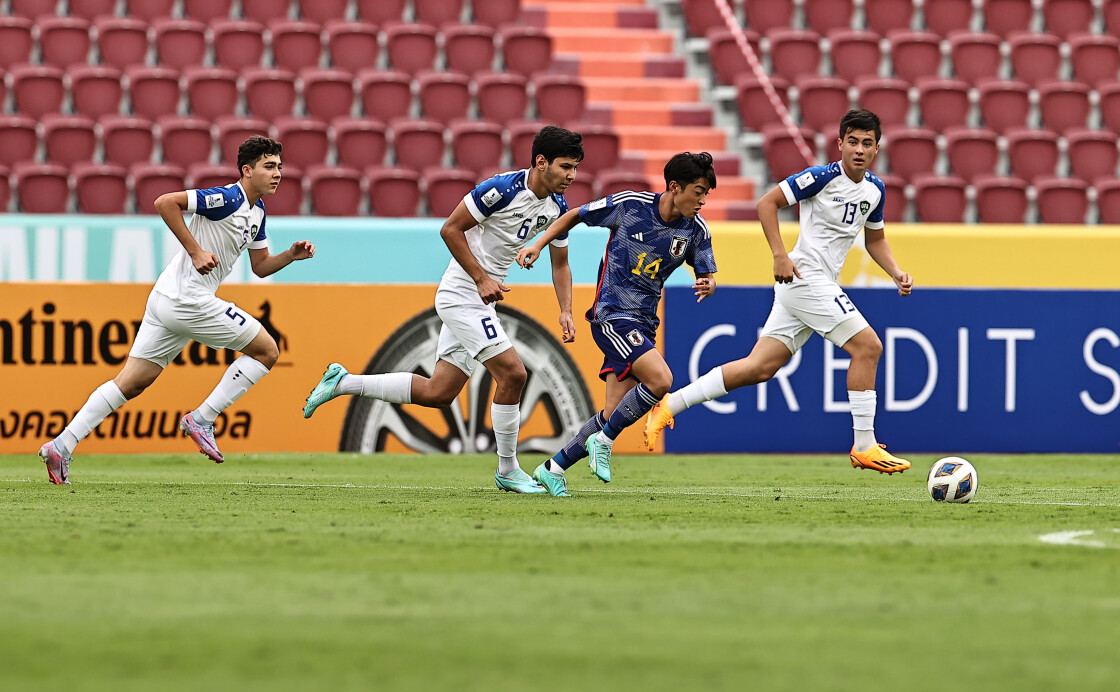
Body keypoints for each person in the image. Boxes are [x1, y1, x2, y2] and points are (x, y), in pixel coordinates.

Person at [303, 126, 584, 494]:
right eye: (565, 166)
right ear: (541, 162)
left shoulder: (556, 207)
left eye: (575, 168)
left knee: (439, 392)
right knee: (514, 374)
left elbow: (560, 263)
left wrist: (565, 309)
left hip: (478, 298)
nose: (572, 176)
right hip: (463, 292)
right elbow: (450, 229)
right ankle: (508, 470)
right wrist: (482, 278)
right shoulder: (501, 190)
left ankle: (343, 382)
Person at [644, 109, 914, 474]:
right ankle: (864, 444)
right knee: (868, 347)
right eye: (852, 141)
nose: (859, 149)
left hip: (812, 285)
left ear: (877, 148)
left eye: (867, 143)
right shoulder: (820, 178)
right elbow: (766, 203)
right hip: (804, 277)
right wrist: (779, 255)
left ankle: (669, 406)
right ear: (839, 144)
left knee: (759, 367)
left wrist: (896, 272)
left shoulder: (874, 190)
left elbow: (875, 238)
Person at [38, 136, 316, 484]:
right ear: (247, 170)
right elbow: (165, 202)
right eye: (269, 166)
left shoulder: (257, 213)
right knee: (267, 350)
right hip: (188, 298)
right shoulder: (227, 198)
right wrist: (196, 251)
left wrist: (289, 256)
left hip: (168, 299)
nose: (278, 173)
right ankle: (202, 418)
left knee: (131, 382)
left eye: (279, 166)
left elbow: (260, 266)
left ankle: (61, 446)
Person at [515, 151, 718, 497]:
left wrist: (709, 283)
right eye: (698, 191)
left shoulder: (695, 231)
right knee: (662, 380)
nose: (702, 200)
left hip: (644, 324)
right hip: (611, 315)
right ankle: (604, 443)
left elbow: (707, 273)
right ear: (674, 187)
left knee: (613, 411)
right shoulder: (630, 205)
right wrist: (537, 245)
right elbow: (575, 215)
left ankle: (552, 468)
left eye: (706, 194)